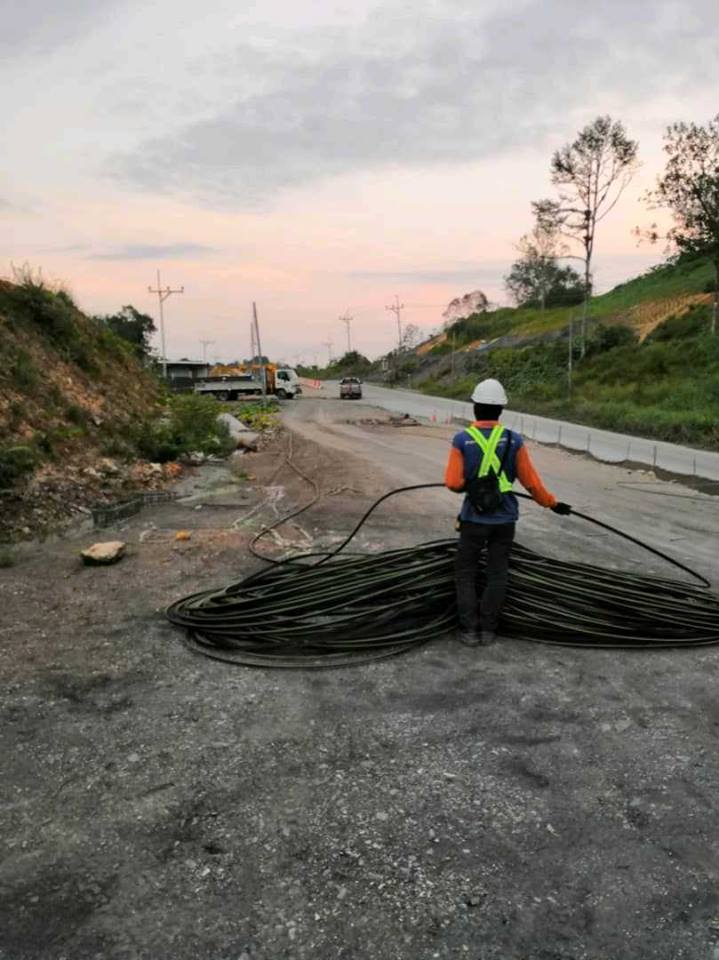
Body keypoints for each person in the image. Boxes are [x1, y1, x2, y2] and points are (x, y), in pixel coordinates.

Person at [444, 378, 572, 646]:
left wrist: (473, 484)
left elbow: (453, 483)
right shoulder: (514, 440)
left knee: (465, 572)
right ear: (501, 410)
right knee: (497, 573)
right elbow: (532, 483)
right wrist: (552, 504)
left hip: (473, 520)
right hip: (504, 521)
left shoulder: (462, 439)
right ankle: (489, 629)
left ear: (475, 408)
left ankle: (469, 630)